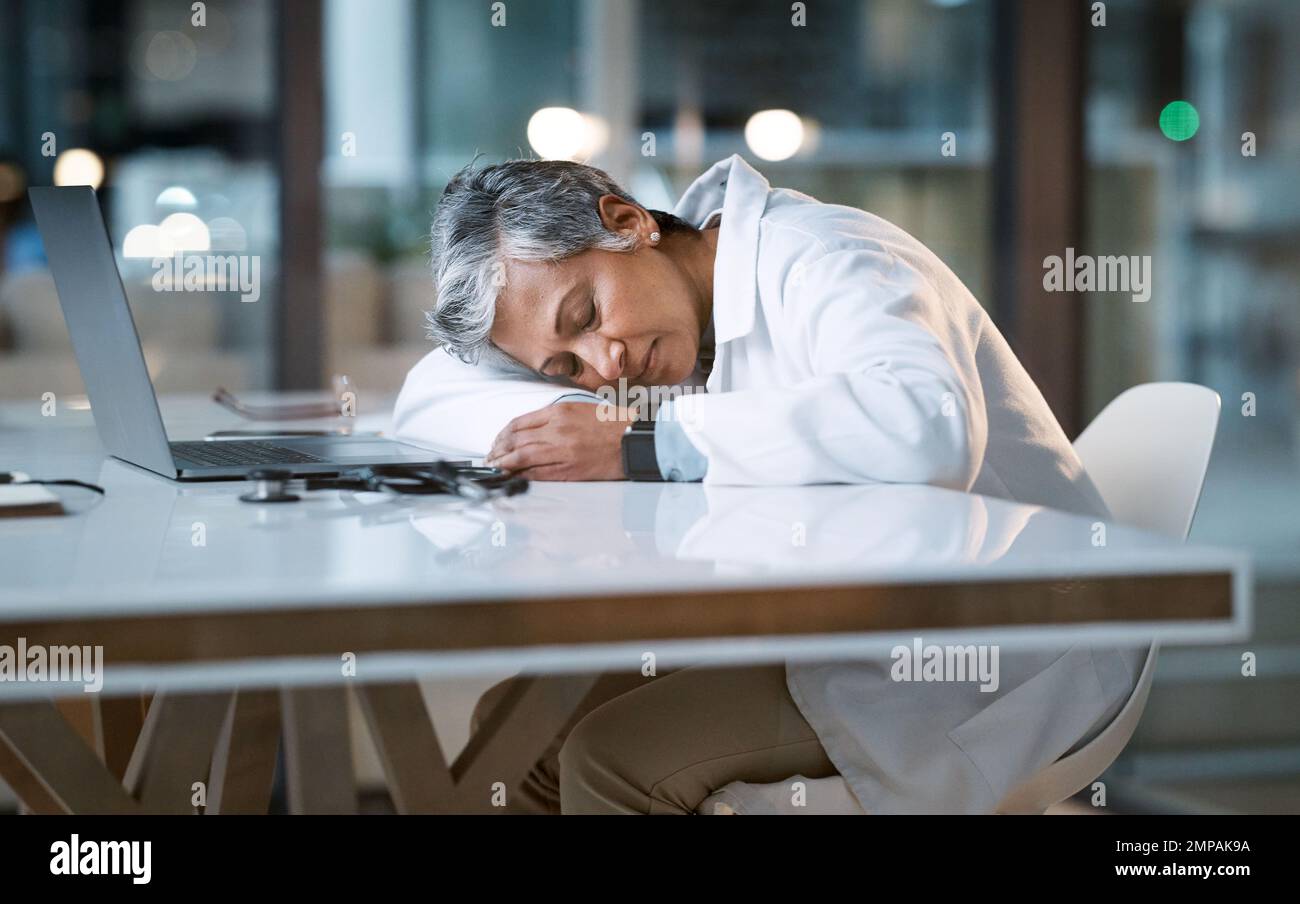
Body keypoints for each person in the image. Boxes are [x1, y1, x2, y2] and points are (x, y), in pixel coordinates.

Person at [394, 154, 1146, 814]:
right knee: (517, 734)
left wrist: (646, 443)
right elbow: (437, 384)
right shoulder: (690, 317)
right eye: (567, 366)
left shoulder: (828, 257)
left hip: (1001, 650)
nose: (605, 364)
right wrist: (554, 402)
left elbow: (926, 427)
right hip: (850, 615)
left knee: (606, 759)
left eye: (587, 314)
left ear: (626, 220)